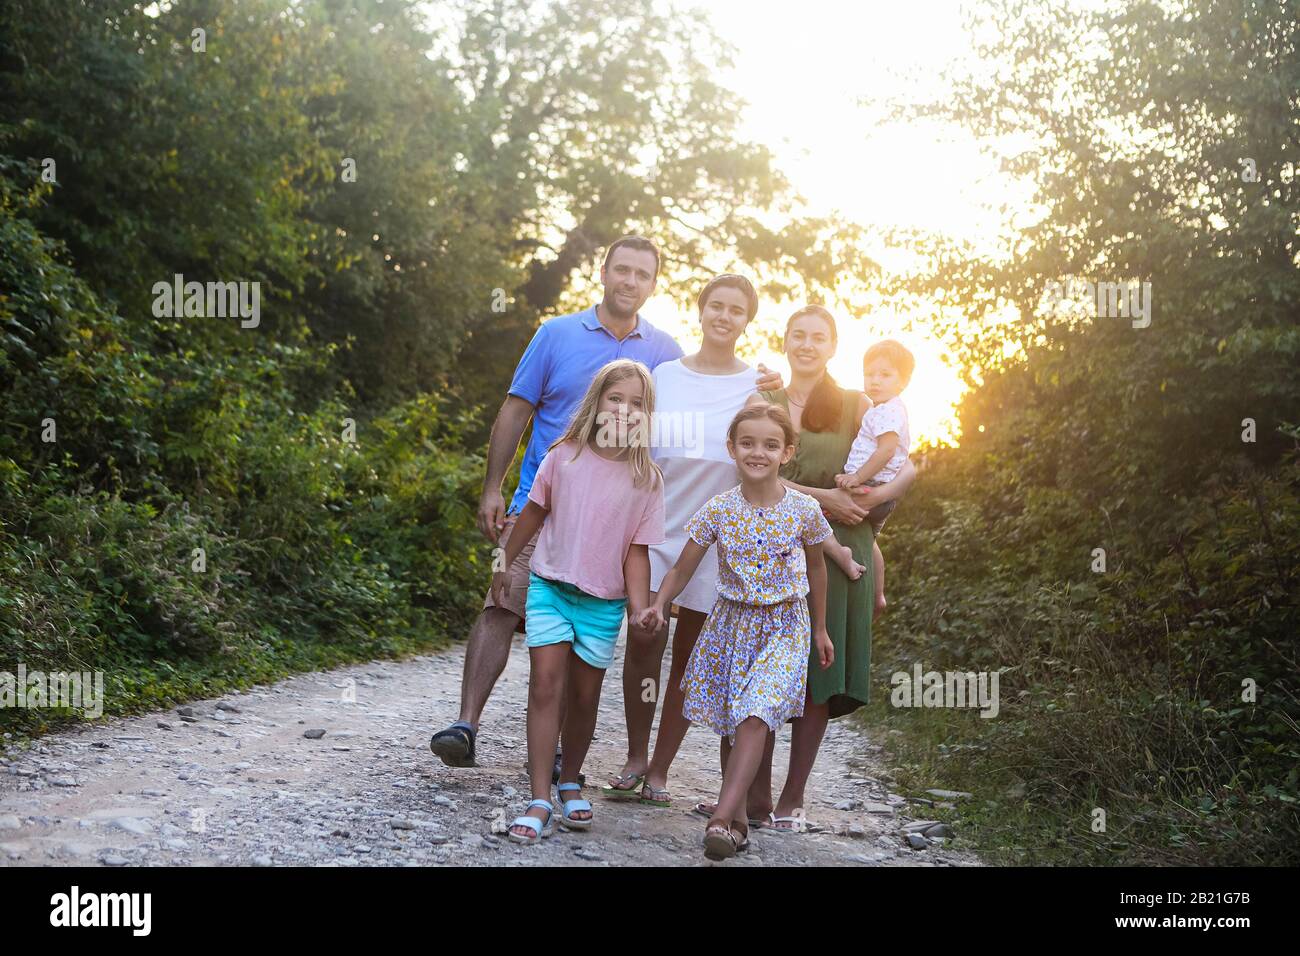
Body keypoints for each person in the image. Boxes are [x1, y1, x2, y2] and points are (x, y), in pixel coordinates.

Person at [429, 236, 781, 774]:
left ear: (654, 284)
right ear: (603, 271)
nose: (630, 281)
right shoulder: (556, 333)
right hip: (540, 502)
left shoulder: (663, 354)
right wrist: (492, 487)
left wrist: (766, 383)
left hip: (613, 520)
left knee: (580, 632)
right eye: (622, 270)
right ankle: (466, 723)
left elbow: (709, 390)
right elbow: (515, 410)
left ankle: (565, 752)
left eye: (642, 274)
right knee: (501, 604)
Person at [744, 305, 916, 831]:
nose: (807, 345)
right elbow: (753, 473)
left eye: (819, 337)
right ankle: (755, 794)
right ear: (786, 340)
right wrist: (824, 498)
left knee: (818, 674)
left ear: (832, 346)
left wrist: (870, 514)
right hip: (770, 545)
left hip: (842, 546)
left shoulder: (857, 403)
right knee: (764, 672)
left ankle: (794, 797)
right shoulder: (763, 398)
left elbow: (903, 464)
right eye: (798, 335)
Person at [639, 404, 832, 859]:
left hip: (786, 625)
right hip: (731, 624)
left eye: (770, 445)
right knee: (735, 720)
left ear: (787, 452)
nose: (757, 452)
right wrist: (659, 604)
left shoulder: (805, 509)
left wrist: (821, 629)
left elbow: (819, 567)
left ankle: (720, 818)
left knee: (757, 711)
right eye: (747, 443)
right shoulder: (719, 509)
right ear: (732, 449)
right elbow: (683, 567)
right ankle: (739, 825)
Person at [604, 273, 768, 807]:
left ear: (747, 320)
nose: (724, 316)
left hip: (718, 543)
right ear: (700, 311)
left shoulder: (758, 387)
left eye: (736, 310)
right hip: (656, 530)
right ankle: (633, 756)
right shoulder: (664, 376)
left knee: (691, 659)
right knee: (644, 641)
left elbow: (771, 459)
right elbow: (631, 449)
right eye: (715, 306)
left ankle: (659, 770)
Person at [496, 360, 665, 843]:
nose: (624, 409)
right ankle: (538, 797)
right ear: (596, 402)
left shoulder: (645, 478)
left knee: (585, 696)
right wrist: (502, 563)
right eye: (616, 398)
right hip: (550, 588)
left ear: (645, 415)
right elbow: (531, 514)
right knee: (545, 685)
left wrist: (639, 609)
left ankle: (570, 778)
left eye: (636, 403)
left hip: (603, 603)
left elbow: (637, 551)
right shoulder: (563, 456)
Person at [824, 339, 915, 616]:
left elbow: (887, 451)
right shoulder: (885, 407)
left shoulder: (888, 411)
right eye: (870, 374)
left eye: (885, 375)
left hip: (870, 487)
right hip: (876, 489)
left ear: (903, 381)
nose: (875, 381)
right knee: (870, 541)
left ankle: (846, 561)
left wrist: (856, 477)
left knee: (816, 516)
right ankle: (878, 595)